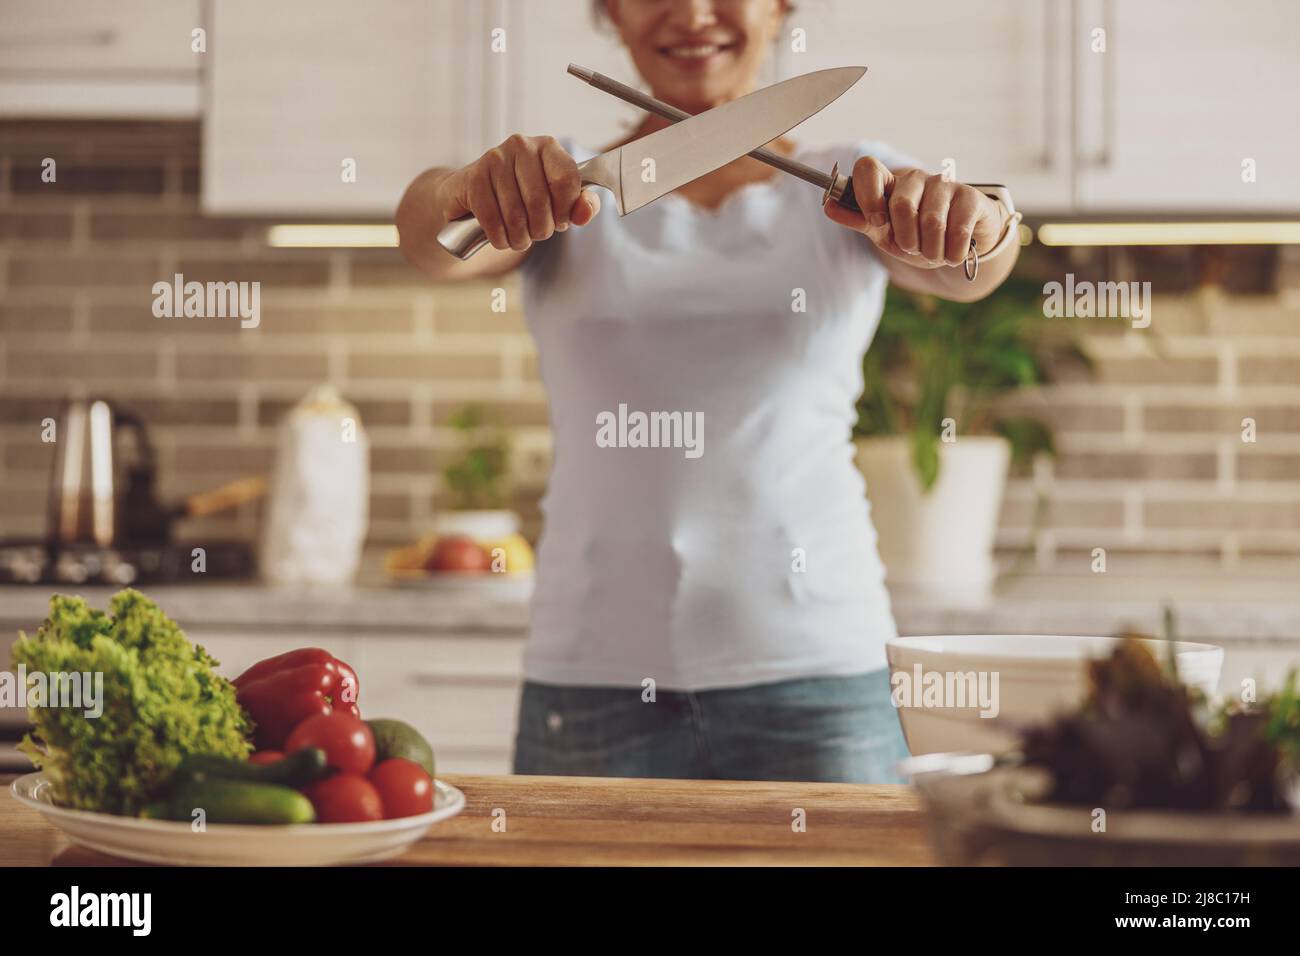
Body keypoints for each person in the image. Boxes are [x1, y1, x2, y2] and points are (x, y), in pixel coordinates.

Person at [396, 0, 1019, 783]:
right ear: (611, 14)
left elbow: (977, 264)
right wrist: (465, 190)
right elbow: (427, 237)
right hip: (590, 681)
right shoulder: (556, 193)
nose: (692, 12)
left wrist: (978, 227)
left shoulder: (852, 186)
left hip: (822, 676)